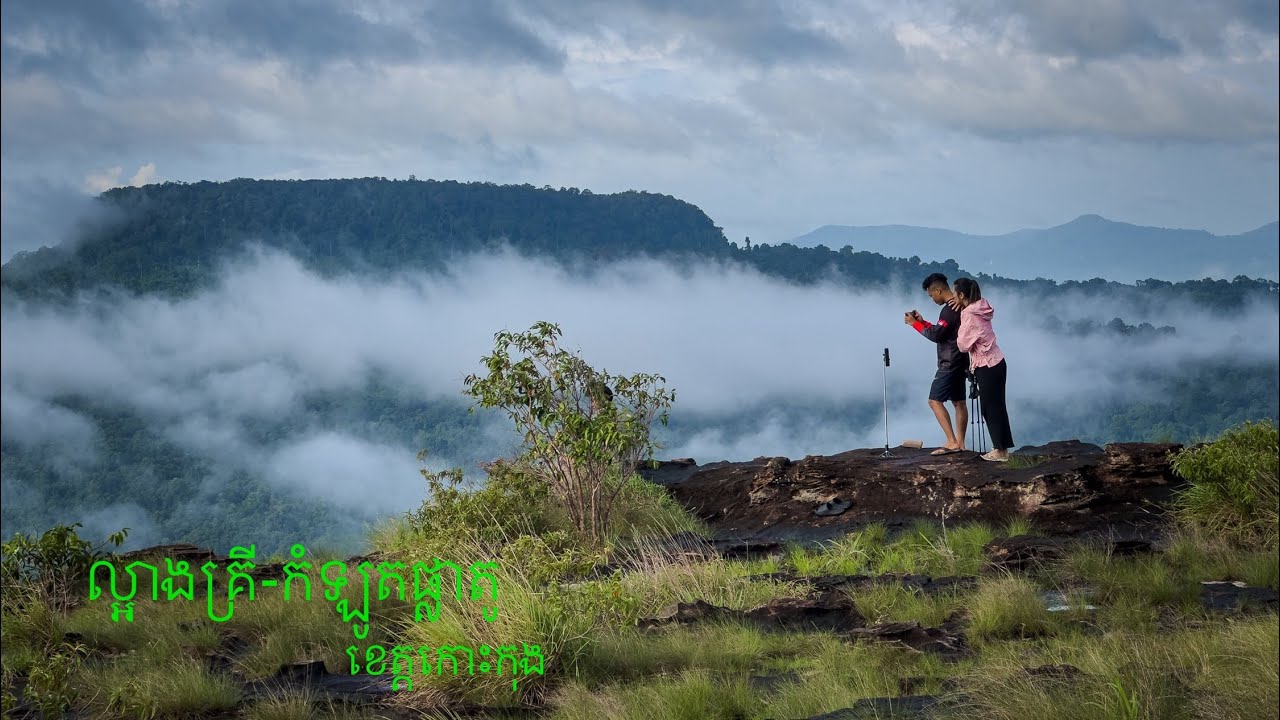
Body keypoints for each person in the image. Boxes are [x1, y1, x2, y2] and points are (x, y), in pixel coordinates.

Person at [905, 273, 969, 455]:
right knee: (959, 402)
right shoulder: (959, 306)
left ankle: (951, 441)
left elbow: (936, 335)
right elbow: (942, 330)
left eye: (931, 295)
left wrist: (914, 324)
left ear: (938, 290)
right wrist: (923, 322)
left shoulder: (948, 310)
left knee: (934, 401)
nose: (932, 299)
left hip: (949, 363)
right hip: (961, 361)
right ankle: (961, 443)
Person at [951, 278, 1013, 462]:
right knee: (998, 405)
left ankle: (999, 451)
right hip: (998, 361)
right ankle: (1002, 448)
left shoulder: (969, 313)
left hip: (986, 365)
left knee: (990, 408)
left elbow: (963, 345)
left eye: (955, 293)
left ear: (961, 295)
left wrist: (961, 320)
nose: (954, 297)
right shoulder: (981, 306)